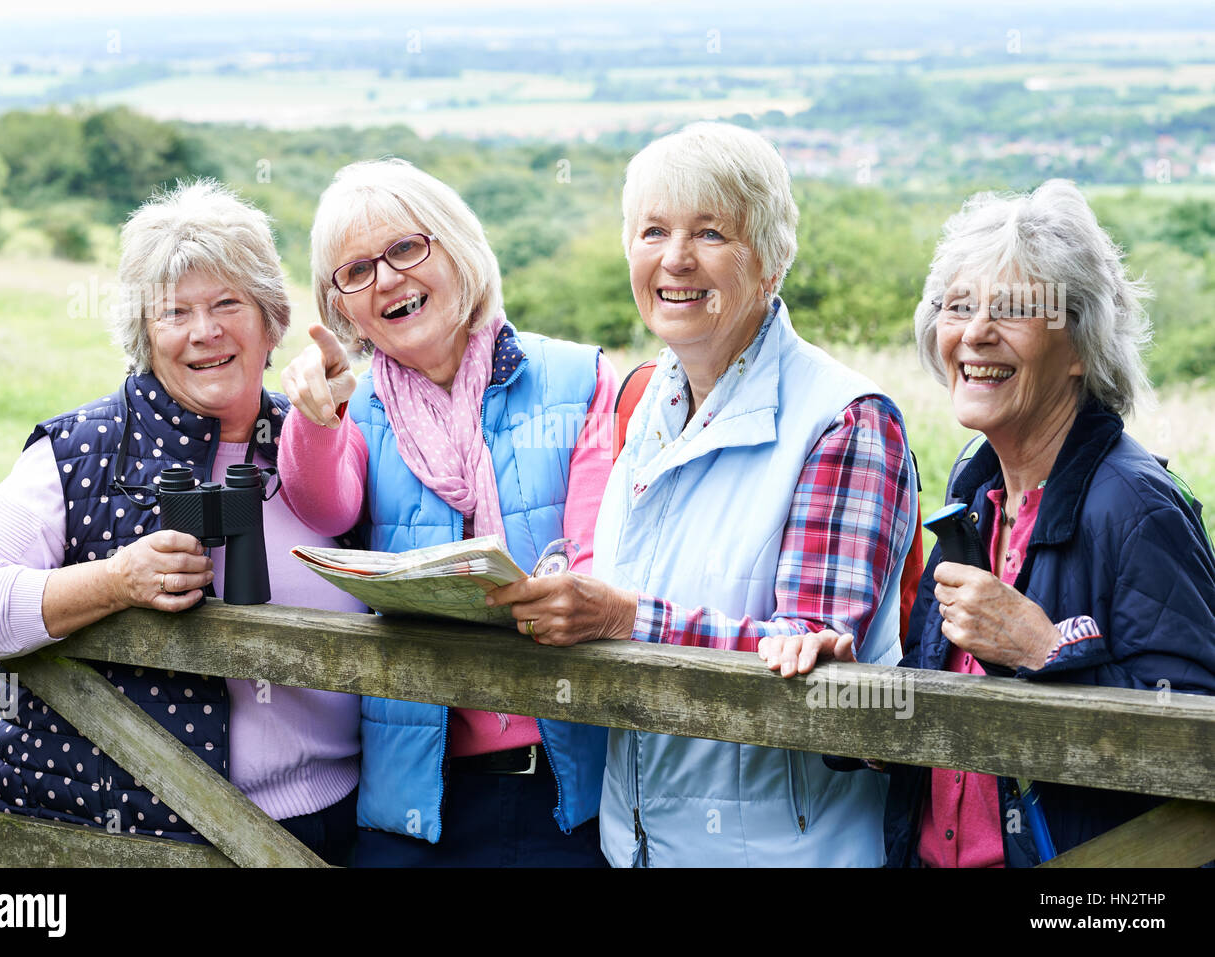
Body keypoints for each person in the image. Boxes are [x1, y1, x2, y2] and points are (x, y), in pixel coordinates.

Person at [485, 122, 919, 867]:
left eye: (711, 233)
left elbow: (811, 661)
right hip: (636, 847)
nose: (675, 259)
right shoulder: (642, 400)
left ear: (772, 262)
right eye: (652, 231)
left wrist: (621, 617)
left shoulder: (844, 421)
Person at [0, 180, 363, 864]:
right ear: (143, 333)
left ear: (272, 321)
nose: (205, 330)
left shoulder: (328, 439)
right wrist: (116, 580)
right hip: (136, 839)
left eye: (227, 303)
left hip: (336, 827)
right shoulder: (85, 451)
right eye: (175, 311)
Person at [863, 178, 1215, 866]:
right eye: (958, 307)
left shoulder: (1136, 507)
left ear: (1081, 345)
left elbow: (1197, 734)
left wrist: (1045, 648)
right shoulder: (975, 493)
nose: (975, 333)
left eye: (1015, 310)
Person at [276, 158, 617, 866]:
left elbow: (594, 558)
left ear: (458, 250)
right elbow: (322, 503)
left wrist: (557, 594)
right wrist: (315, 417)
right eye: (357, 270)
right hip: (414, 793)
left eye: (406, 249)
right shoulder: (361, 407)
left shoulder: (578, 377)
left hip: (561, 785)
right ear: (343, 307)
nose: (389, 279)